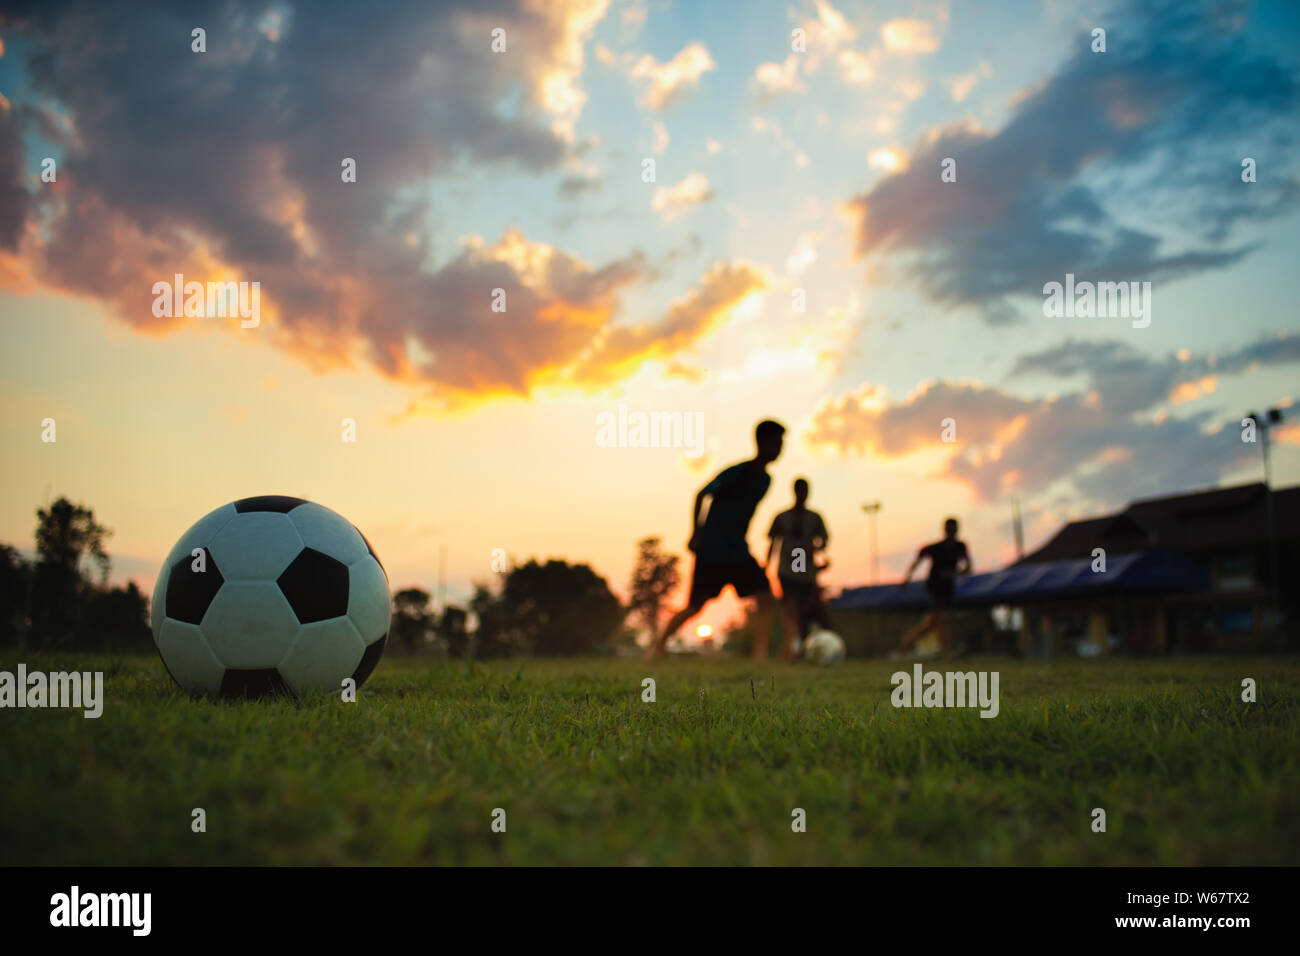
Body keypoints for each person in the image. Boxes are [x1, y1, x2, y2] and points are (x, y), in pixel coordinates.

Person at [647, 420, 787, 662]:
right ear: (762, 443)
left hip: (738, 551)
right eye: (776, 442)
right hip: (713, 550)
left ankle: (759, 656)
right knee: (694, 607)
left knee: (766, 598)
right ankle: (658, 646)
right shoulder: (737, 473)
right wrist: (696, 532)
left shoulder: (765, 481)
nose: (780, 448)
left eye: (782, 443)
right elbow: (702, 494)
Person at [766, 478, 832, 658]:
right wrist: (767, 566)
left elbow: (824, 541)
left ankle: (799, 648)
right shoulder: (783, 517)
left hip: (806, 573)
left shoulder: (814, 518)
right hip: (787, 570)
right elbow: (773, 543)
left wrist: (815, 551)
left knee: (806, 611)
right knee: (790, 610)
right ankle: (790, 649)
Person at [896, 517, 970, 660]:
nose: (951, 532)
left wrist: (954, 573)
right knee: (942, 618)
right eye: (949, 529)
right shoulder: (935, 547)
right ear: (945, 530)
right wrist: (907, 578)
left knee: (932, 623)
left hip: (948, 586)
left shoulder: (960, 547)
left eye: (953, 529)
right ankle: (946, 652)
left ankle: (907, 641)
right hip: (935, 586)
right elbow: (917, 561)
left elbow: (968, 567)